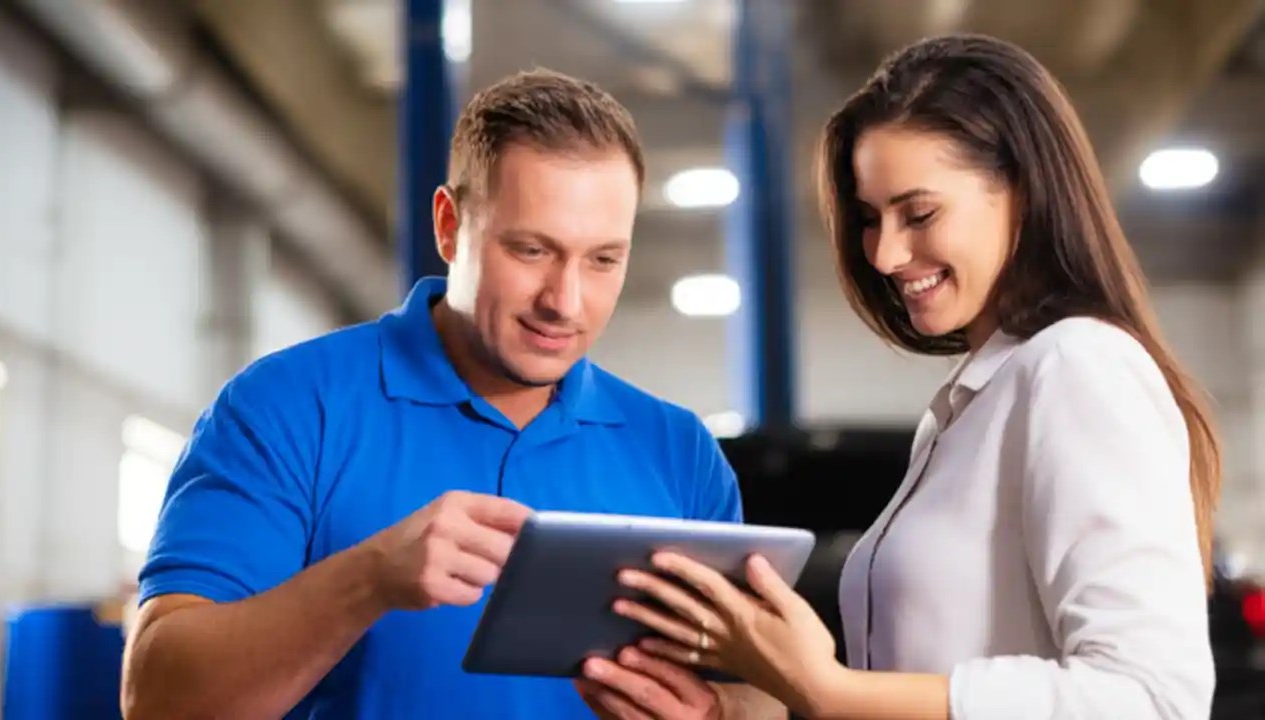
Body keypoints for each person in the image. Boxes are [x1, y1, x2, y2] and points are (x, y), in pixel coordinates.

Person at [119, 69, 783, 720]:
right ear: (448, 225)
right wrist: (370, 578)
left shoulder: (678, 451)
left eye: (603, 259)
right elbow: (157, 700)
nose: (566, 301)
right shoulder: (290, 407)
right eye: (530, 250)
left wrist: (721, 711)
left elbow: (765, 696)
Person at [610, 33, 1221, 720]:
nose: (885, 252)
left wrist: (830, 690)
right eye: (871, 219)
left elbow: (1152, 699)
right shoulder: (964, 410)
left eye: (919, 213)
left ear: (1021, 189)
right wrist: (741, 710)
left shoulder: (1078, 367)